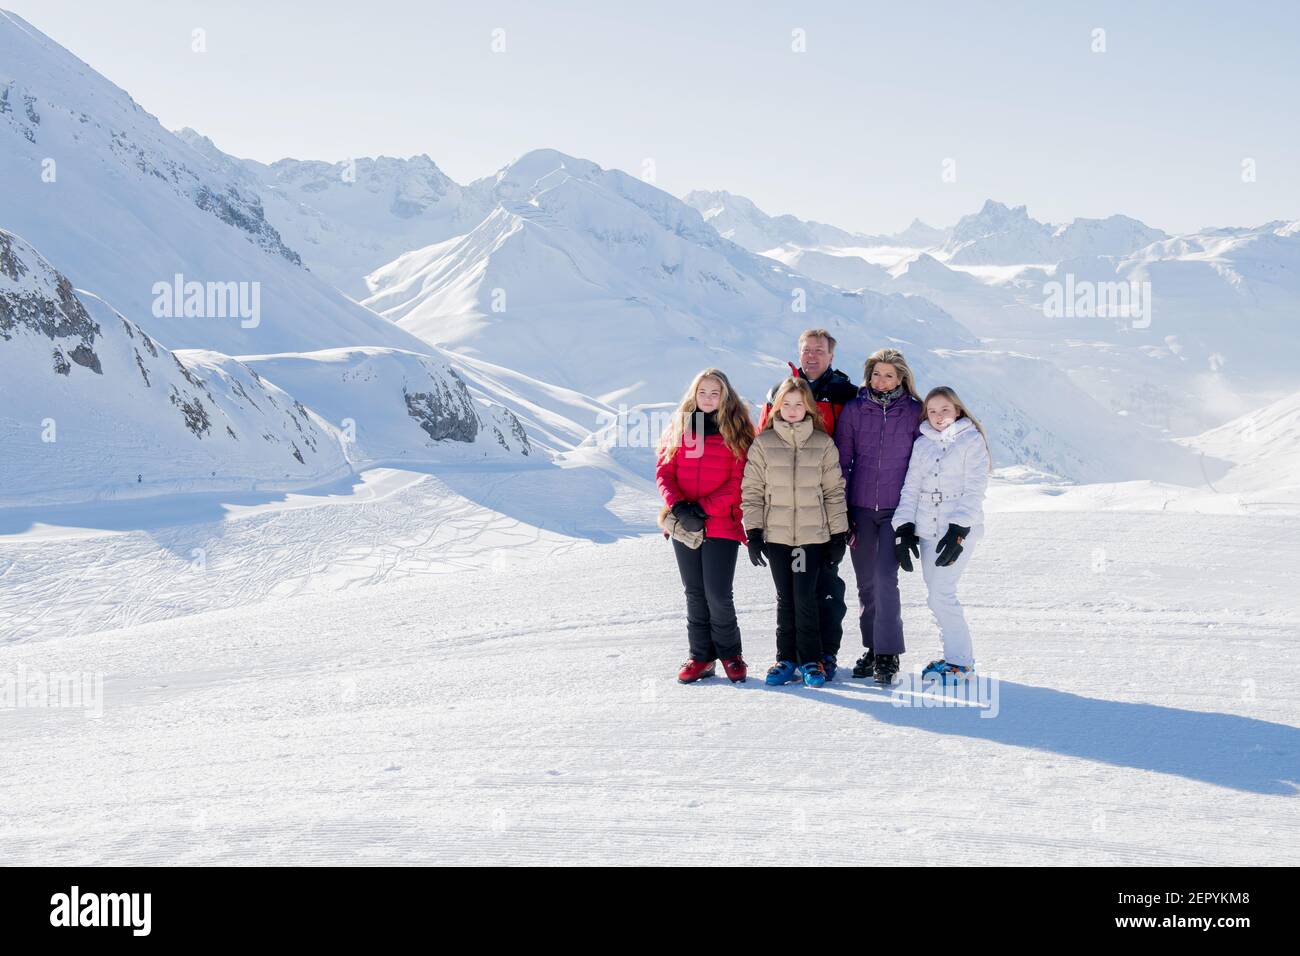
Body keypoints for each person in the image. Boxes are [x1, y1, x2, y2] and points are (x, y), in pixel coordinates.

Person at [755, 329, 859, 678]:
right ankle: (794, 657)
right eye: (806, 350)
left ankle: (822, 655)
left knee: (825, 588)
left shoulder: (845, 395)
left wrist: (842, 523)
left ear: (831, 356)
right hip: (785, 515)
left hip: (827, 507)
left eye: (819, 350)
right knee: (791, 596)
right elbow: (762, 451)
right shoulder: (779, 392)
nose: (811, 356)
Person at [741, 376, 849, 688]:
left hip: (811, 539)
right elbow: (752, 492)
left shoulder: (822, 444)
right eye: (785, 404)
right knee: (784, 598)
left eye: (798, 404)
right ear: (776, 408)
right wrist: (754, 533)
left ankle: (811, 660)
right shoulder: (763, 444)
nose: (791, 409)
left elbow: (834, 492)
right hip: (776, 538)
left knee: (805, 598)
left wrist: (837, 535)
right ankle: (785, 659)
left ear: (808, 408)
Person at [656, 369, 754, 683]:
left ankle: (730, 654)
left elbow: (739, 480)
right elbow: (664, 470)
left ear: (725, 396)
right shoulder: (681, 426)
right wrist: (680, 506)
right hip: (684, 523)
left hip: (721, 523)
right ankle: (701, 657)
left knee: (718, 593)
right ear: (694, 394)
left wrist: (703, 509)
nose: (708, 398)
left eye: (715, 393)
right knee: (695, 593)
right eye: (703, 392)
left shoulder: (737, 430)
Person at [835, 348, 924, 685]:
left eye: (889, 375)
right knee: (866, 583)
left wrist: (914, 517)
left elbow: (922, 467)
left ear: (901, 377)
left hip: (896, 511)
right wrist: (841, 510)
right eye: (876, 374)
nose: (882, 380)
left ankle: (889, 655)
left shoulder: (914, 413)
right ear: (868, 375)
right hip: (859, 508)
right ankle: (872, 648)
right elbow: (843, 461)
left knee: (886, 579)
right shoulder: (855, 410)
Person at [893, 386, 991, 682]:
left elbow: (975, 489)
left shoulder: (971, 441)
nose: (938, 416)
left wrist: (960, 529)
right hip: (927, 529)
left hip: (956, 530)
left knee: (942, 594)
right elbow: (911, 488)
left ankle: (961, 664)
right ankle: (953, 657)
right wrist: (904, 527)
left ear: (958, 410)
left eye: (945, 410)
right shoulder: (923, 444)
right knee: (936, 595)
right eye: (932, 411)